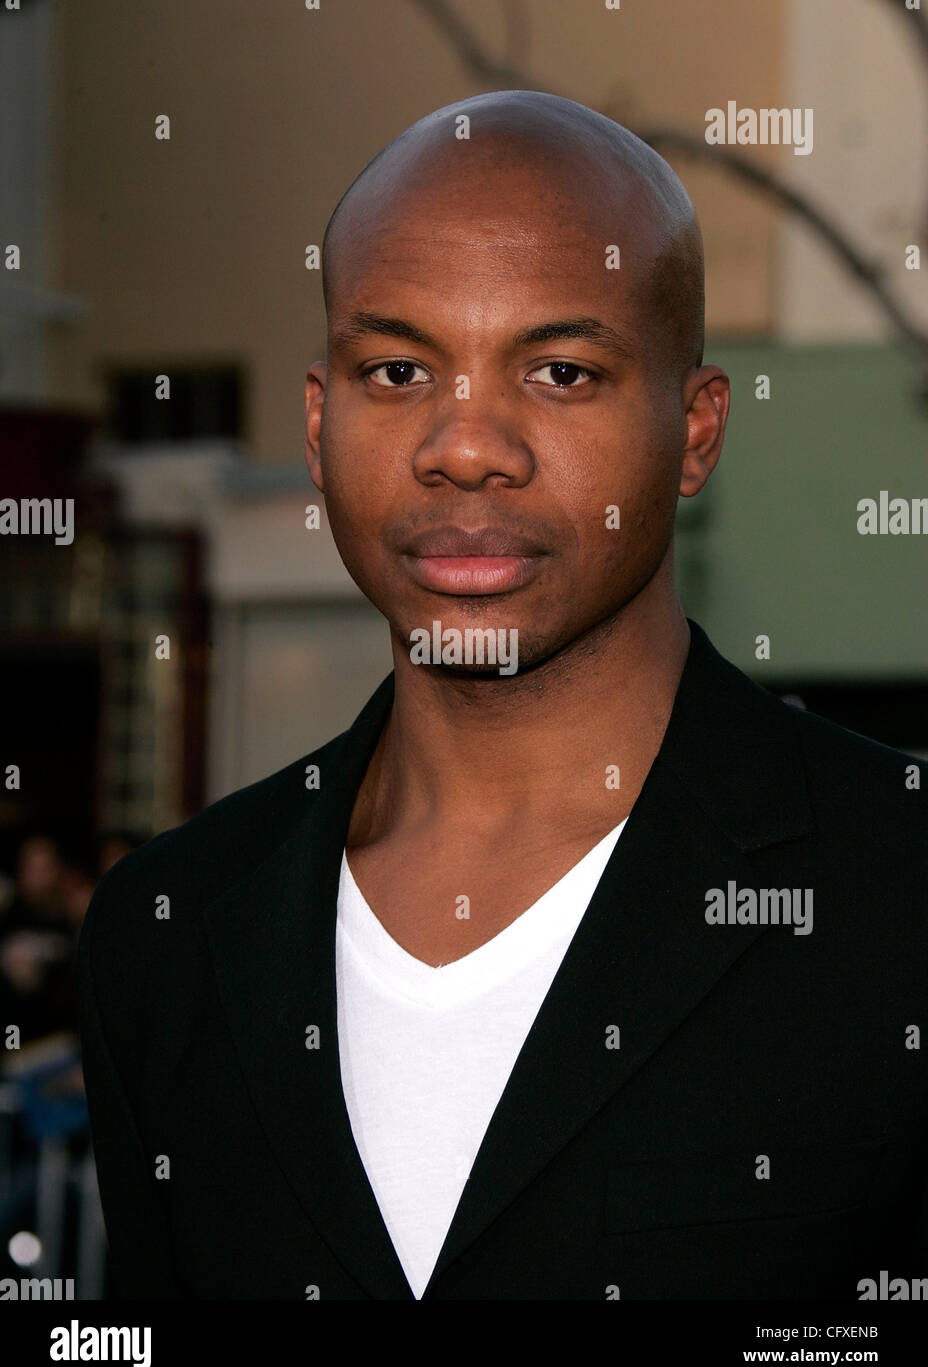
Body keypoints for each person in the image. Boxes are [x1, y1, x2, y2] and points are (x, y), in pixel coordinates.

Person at [77, 90, 927, 1301]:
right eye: (398, 368)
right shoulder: (165, 937)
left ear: (695, 430)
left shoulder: (896, 890)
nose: (466, 444)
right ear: (317, 425)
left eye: (562, 371)